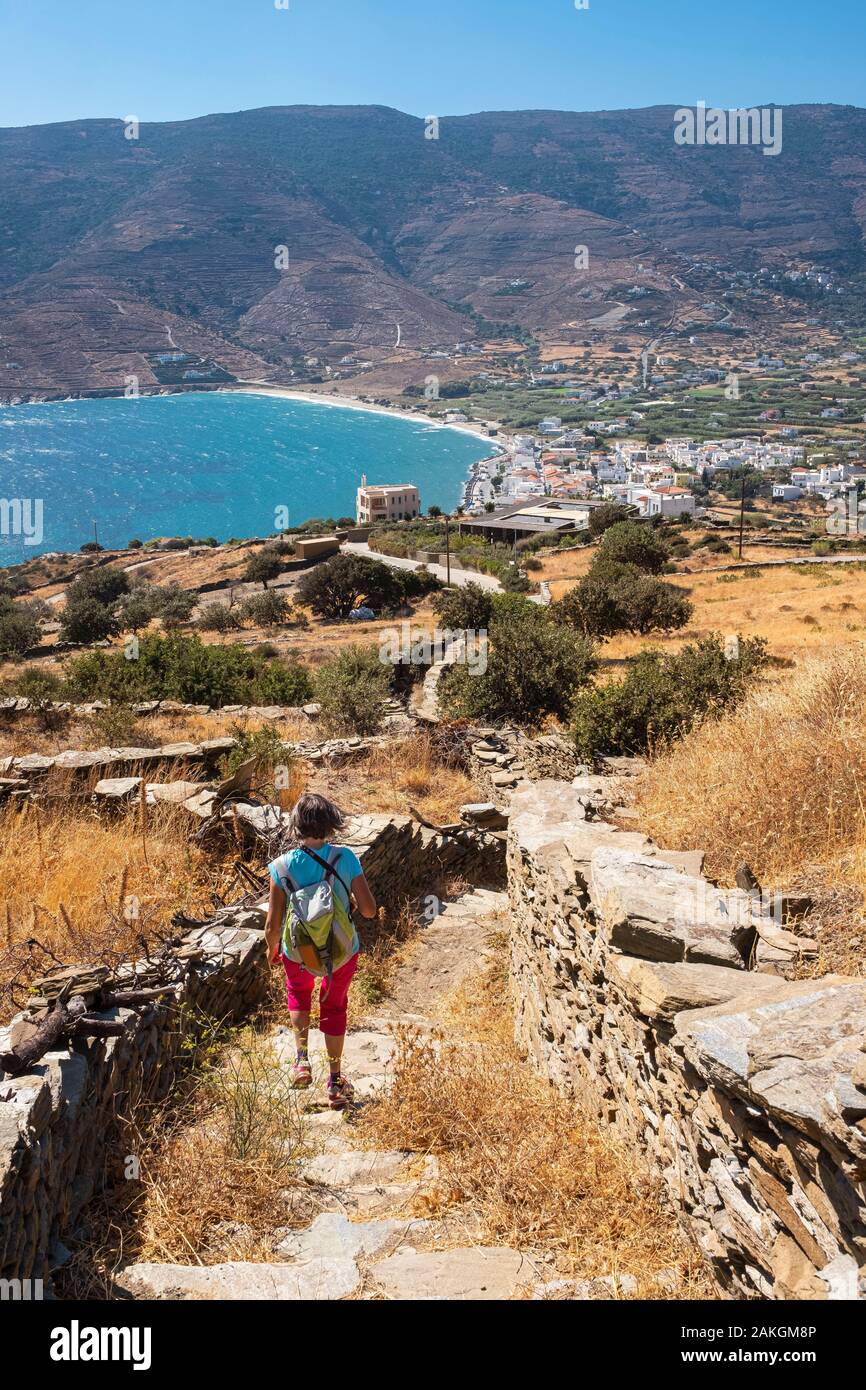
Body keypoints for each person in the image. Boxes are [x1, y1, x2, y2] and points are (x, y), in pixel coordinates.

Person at [265, 793, 377, 1109]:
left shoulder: (281, 867)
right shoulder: (346, 858)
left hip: (298, 951)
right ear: (331, 823)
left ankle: (301, 1061)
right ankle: (336, 1082)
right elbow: (368, 911)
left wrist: (273, 949)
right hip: (341, 950)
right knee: (334, 1005)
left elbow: (273, 923)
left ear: (296, 826)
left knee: (298, 994)